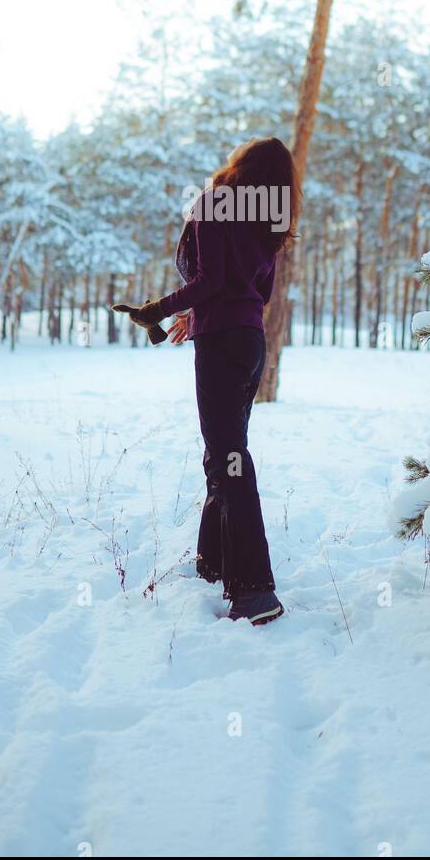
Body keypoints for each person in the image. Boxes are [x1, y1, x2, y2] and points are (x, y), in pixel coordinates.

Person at [119, 137, 300, 625]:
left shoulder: (216, 200)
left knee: (230, 457)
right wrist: (199, 316)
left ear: (240, 164)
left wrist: (156, 309)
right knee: (224, 451)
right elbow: (254, 291)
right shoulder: (267, 218)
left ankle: (256, 592)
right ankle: (214, 561)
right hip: (249, 343)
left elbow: (212, 281)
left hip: (222, 344)